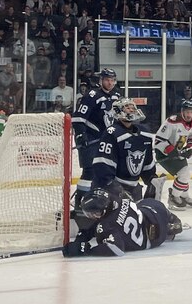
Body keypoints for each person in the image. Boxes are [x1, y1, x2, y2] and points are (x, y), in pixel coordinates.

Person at [62, 188, 184, 257]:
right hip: (152, 213)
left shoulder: (107, 227)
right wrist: (83, 236)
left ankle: (168, 227)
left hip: (154, 240)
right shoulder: (114, 199)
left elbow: (116, 249)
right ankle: (170, 221)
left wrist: (86, 249)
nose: (90, 216)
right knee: (146, 203)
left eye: (91, 213)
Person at [93, 98, 160, 202]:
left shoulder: (145, 133)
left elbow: (147, 162)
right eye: (127, 107)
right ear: (117, 111)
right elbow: (103, 165)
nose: (132, 109)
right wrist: (114, 187)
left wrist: (152, 179)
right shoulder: (111, 133)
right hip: (111, 189)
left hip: (134, 188)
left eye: (133, 107)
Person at [72, 69, 119, 202]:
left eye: (112, 80)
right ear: (101, 81)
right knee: (90, 171)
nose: (109, 83)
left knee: (109, 170)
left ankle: (101, 201)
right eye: (107, 80)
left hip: (106, 139)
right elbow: (78, 118)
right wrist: (81, 135)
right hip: (90, 137)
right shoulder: (92, 96)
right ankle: (80, 201)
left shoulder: (116, 96)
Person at [152, 98, 192, 210]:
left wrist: (190, 148)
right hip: (164, 153)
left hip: (178, 152)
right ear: (182, 112)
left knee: (185, 174)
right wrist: (170, 150)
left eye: (191, 112)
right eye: (187, 112)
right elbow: (159, 140)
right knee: (185, 173)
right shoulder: (172, 121)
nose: (189, 114)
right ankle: (174, 197)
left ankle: (184, 196)